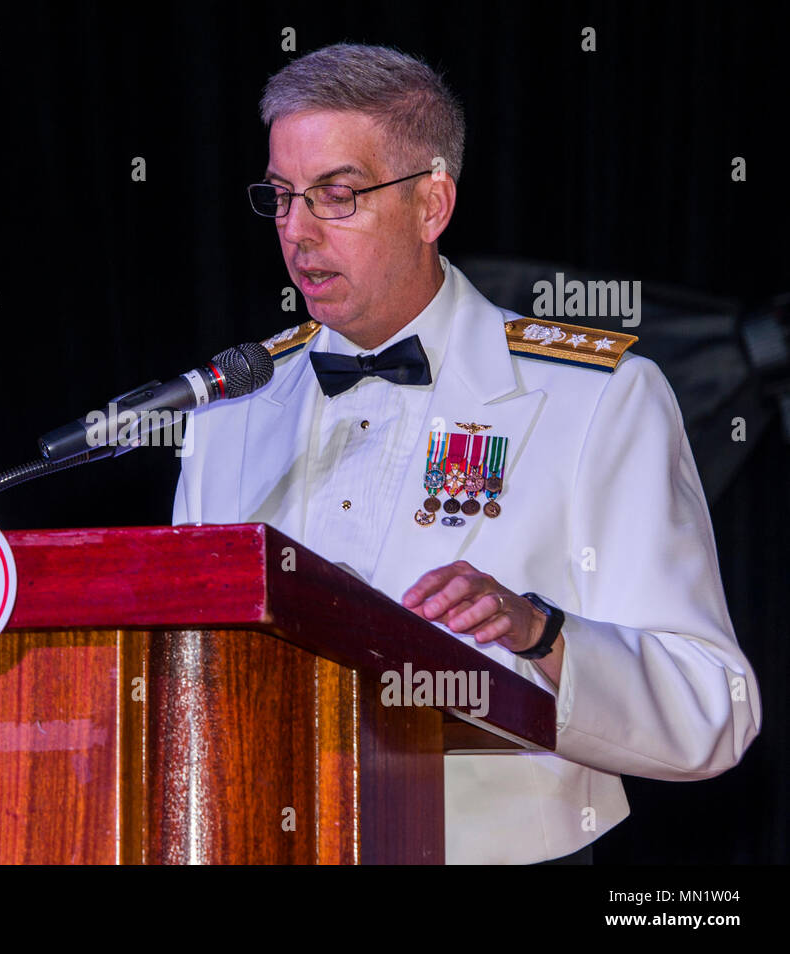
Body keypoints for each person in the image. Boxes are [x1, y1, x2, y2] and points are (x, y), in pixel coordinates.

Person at [172, 43, 762, 864]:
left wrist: (544, 634)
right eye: (281, 196)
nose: (298, 232)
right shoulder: (230, 410)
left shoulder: (597, 399)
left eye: (337, 195)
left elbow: (711, 711)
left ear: (431, 204)